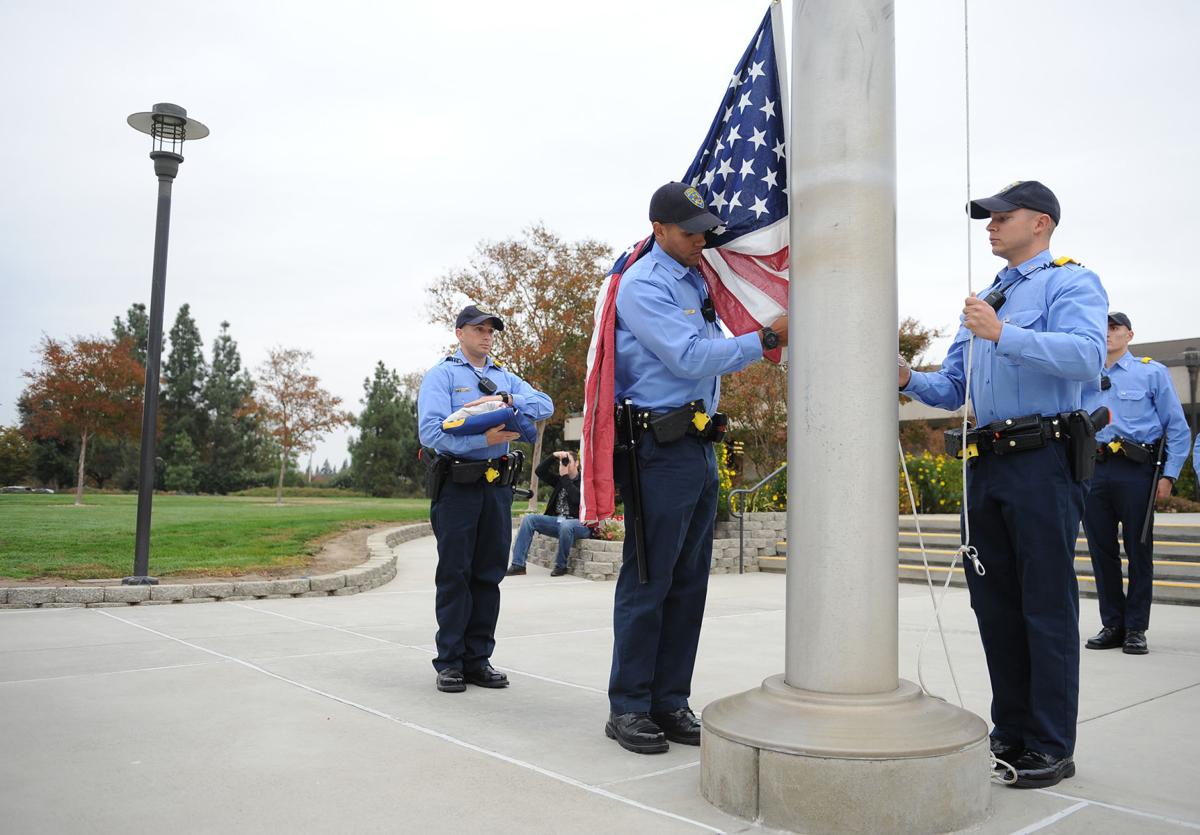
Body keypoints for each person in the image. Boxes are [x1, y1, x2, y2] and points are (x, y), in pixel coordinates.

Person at [898, 180, 1108, 788]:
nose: (990, 226)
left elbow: (1087, 359)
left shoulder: (1071, 282)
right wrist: (907, 374)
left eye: (1002, 216)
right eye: (987, 218)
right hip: (985, 462)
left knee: (1043, 603)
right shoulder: (988, 296)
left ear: (1040, 224)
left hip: (1041, 458)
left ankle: (1050, 742)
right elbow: (953, 390)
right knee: (995, 605)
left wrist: (1003, 334)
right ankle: (1011, 731)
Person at [605, 181, 788, 755]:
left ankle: (669, 700)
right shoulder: (645, 285)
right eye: (690, 231)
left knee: (687, 584)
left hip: (698, 447)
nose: (701, 239)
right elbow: (686, 357)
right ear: (659, 229)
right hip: (657, 450)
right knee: (649, 579)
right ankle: (630, 706)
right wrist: (767, 338)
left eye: (704, 229)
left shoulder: (694, 277)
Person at [417, 304, 553, 693]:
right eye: (478, 329)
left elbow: (544, 405)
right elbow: (431, 434)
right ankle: (450, 662)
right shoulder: (441, 376)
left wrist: (509, 401)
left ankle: (478, 659)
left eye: (491, 329)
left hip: (496, 488)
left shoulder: (503, 377)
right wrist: (484, 438)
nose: (487, 335)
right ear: (459, 333)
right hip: (458, 486)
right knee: (456, 573)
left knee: (489, 574)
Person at [1081, 312, 1190, 655]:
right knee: (1101, 551)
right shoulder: (1083, 375)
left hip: (1136, 470)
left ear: (1130, 334)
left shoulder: (1150, 372)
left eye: (1114, 328)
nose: (1108, 333)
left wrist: (1169, 474)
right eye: (1103, 327)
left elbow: (1177, 428)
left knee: (1138, 550)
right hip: (1094, 470)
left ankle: (1136, 628)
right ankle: (1113, 623)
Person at [506, 450, 589, 577]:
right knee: (529, 519)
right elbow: (540, 472)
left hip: (579, 524)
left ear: (577, 463)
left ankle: (561, 566)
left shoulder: (585, 481)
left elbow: (577, 499)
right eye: (563, 462)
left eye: (568, 462)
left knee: (566, 525)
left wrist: (565, 477)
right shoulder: (561, 479)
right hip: (558, 522)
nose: (565, 465)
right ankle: (518, 565)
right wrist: (553, 456)